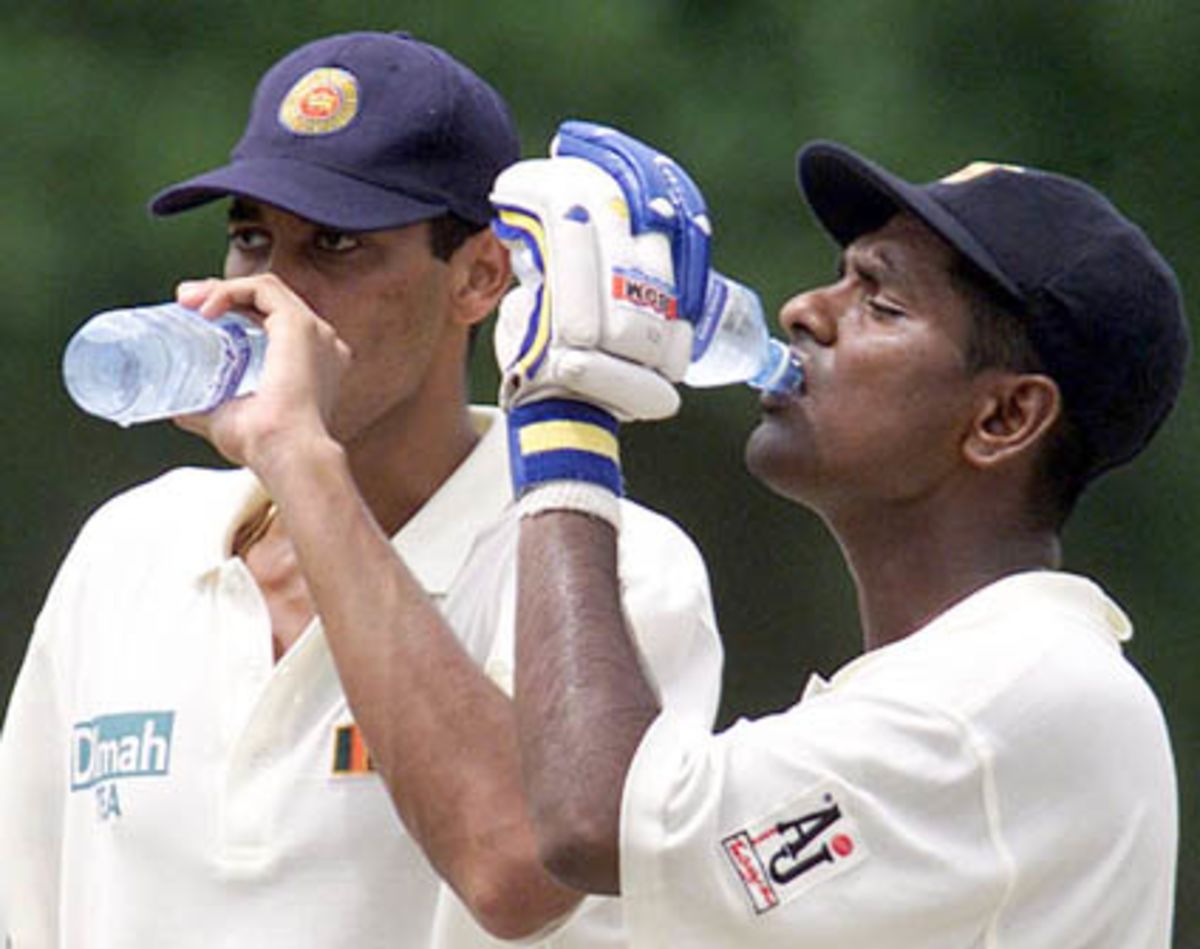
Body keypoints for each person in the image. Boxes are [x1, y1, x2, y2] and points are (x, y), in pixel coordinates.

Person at [0, 33, 723, 948]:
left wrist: (300, 459)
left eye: (335, 245)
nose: (273, 293)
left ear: (479, 278)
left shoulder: (606, 565)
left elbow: (517, 871)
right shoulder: (129, 548)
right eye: (252, 238)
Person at [489, 136, 1187, 946]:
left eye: (882, 303)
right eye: (842, 275)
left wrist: (563, 424)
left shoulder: (1020, 683)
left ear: (1004, 418)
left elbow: (596, 820)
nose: (803, 312)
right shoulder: (954, 687)